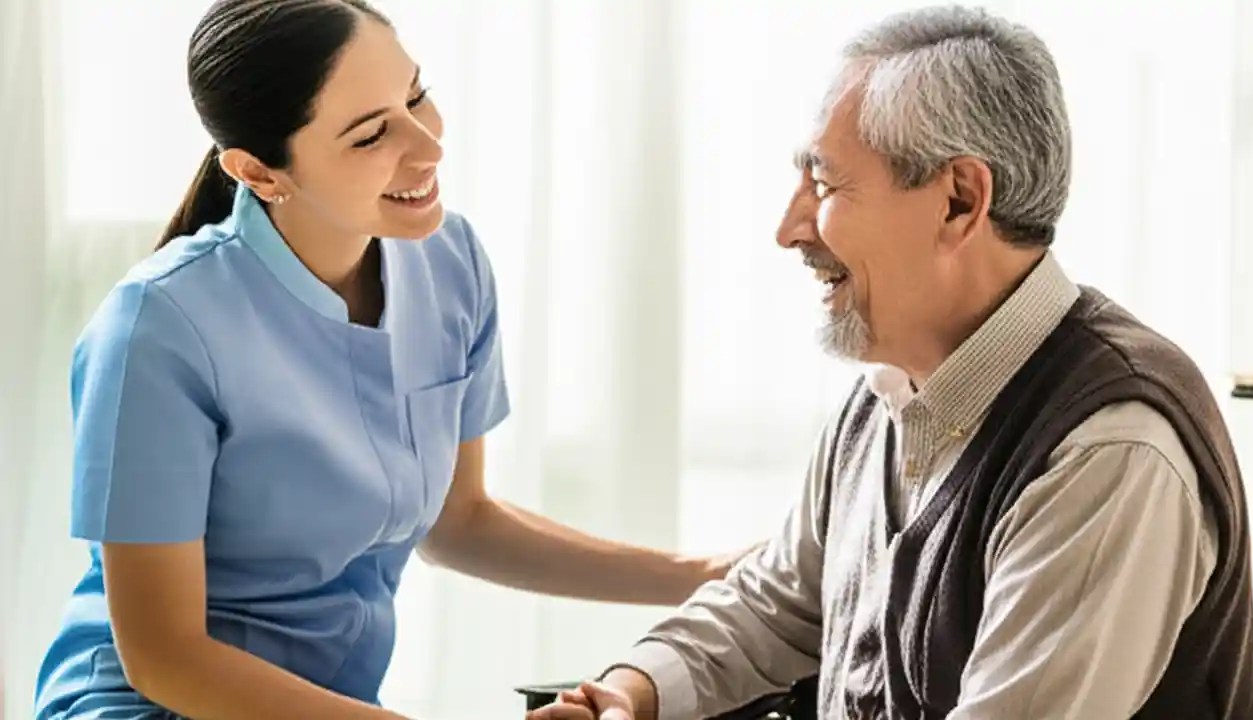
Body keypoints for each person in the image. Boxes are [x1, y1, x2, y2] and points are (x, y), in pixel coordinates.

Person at [530, 5, 1253, 720]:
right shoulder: (891, 395)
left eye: (823, 184)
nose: (789, 230)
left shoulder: (1110, 450)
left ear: (959, 202)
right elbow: (777, 605)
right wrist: (624, 695)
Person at [30, 2, 753, 718]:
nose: (428, 145)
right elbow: (165, 658)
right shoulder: (158, 327)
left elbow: (459, 520)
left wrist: (713, 579)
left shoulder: (450, 262)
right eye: (373, 133)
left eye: (415, 95)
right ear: (259, 172)